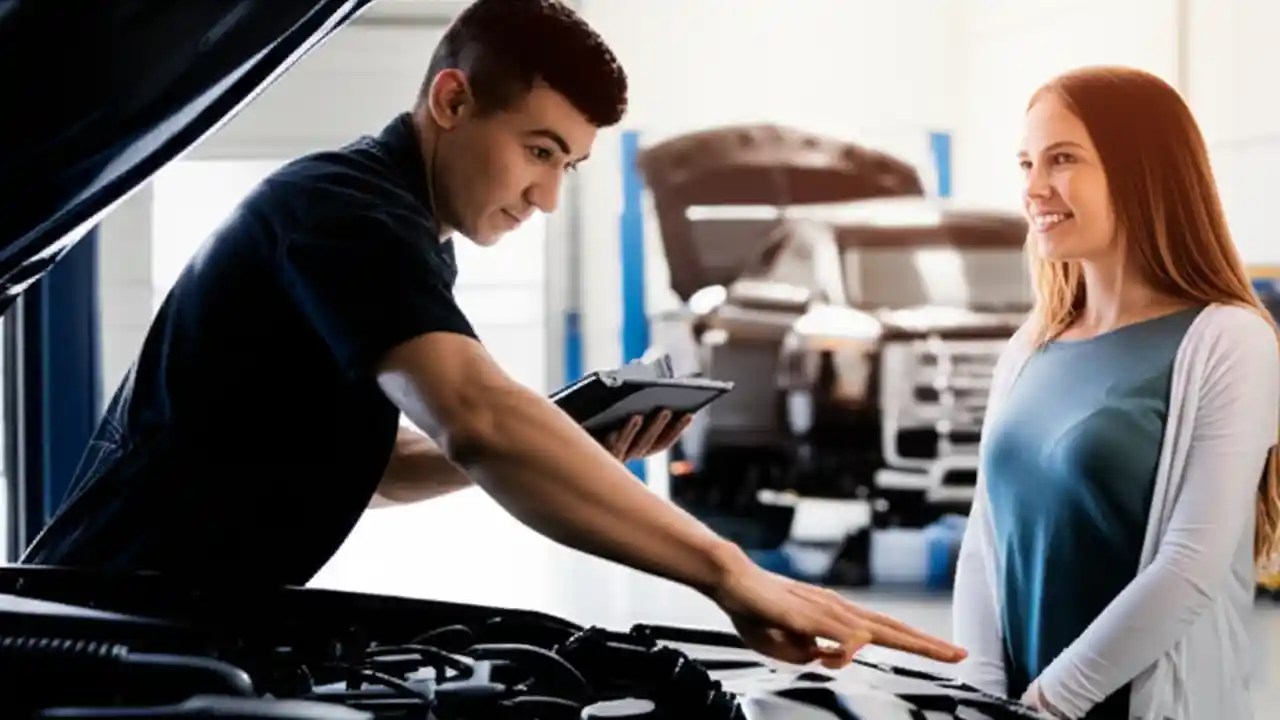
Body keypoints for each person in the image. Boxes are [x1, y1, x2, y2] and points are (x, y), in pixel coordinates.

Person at [21, 0, 966, 670]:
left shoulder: (393, 227)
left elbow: (379, 464)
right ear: (451, 101)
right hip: (104, 632)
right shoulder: (343, 211)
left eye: (572, 166)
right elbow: (477, 417)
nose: (549, 196)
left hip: (182, 623)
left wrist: (563, 432)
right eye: (540, 151)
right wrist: (728, 572)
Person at [952, 64, 1280, 719]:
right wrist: (979, 691)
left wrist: (1048, 704)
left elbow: (1190, 565)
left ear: (1144, 173)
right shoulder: (1030, 347)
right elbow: (984, 537)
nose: (1035, 188)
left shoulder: (1229, 341)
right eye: (1025, 164)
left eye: (1063, 159)